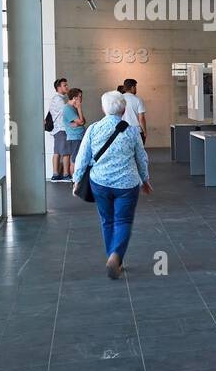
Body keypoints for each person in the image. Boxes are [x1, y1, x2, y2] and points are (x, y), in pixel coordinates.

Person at [72, 90, 152, 279]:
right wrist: (145, 179)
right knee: (123, 221)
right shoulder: (133, 131)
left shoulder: (93, 129)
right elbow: (141, 158)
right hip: (127, 184)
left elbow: (82, 157)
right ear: (124, 109)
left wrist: (77, 180)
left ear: (103, 108)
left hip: (100, 183)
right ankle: (117, 256)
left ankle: (111, 257)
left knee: (107, 220)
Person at [47, 77, 72, 181]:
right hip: (61, 129)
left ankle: (55, 174)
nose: (67, 87)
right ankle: (66, 174)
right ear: (58, 87)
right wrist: (72, 103)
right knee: (66, 153)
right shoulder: (59, 99)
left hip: (57, 129)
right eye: (64, 85)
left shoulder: (56, 99)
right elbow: (65, 111)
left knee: (56, 152)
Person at [63, 89, 86, 167]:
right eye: (80, 96)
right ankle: (74, 179)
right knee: (75, 161)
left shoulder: (73, 107)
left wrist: (79, 122)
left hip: (79, 136)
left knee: (77, 160)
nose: (81, 98)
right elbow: (81, 122)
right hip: (75, 137)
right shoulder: (68, 108)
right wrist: (79, 108)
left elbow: (83, 121)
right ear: (74, 98)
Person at [120, 78, 148, 145]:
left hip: (122, 131)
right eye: (135, 87)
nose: (136, 89)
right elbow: (141, 119)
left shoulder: (119, 99)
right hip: (136, 132)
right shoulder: (138, 100)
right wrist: (145, 131)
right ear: (132, 87)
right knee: (138, 153)